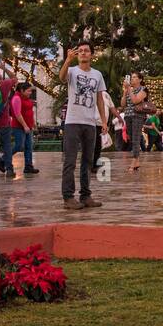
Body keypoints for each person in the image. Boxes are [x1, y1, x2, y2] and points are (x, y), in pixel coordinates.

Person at [58, 42, 107, 209]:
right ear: (77, 54)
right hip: (72, 122)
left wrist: (103, 121)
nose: (83, 53)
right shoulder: (72, 71)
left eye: (86, 51)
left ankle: (86, 195)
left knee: (88, 160)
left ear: (92, 54)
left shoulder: (97, 74)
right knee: (70, 161)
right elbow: (61, 77)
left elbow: (100, 99)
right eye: (80, 51)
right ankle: (68, 197)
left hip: (90, 123)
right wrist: (67, 60)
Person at [121, 70, 150, 172]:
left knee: (136, 138)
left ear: (140, 79)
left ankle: (134, 161)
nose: (132, 79)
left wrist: (129, 89)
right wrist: (125, 92)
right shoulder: (130, 89)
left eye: (134, 77)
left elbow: (135, 100)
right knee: (132, 138)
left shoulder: (143, 89)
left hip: (137, 116)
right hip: (128, 116)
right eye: (131, 77)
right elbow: (123, 104)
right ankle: (137, 161)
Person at [9, 83, 39, 175]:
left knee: (29, 146)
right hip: (18, 126)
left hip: (28, 126)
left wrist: (33, 124)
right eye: (28, 91)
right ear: (22, 90)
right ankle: (4, 158)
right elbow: (17, 114)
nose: (30, 92)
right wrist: (24, 125)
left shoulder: (27, 99)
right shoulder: (17, 98)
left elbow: (30, 112)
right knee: (19, 145)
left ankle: (28, 166)